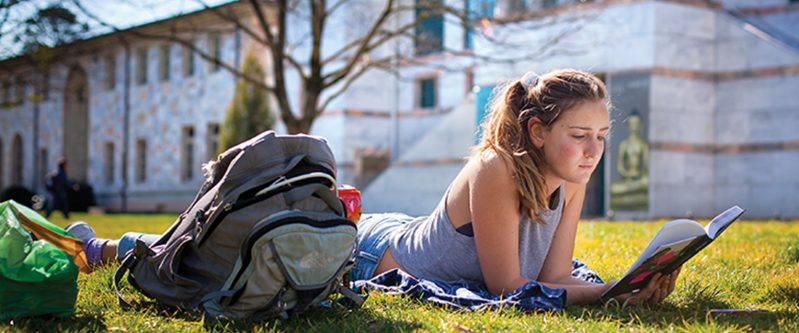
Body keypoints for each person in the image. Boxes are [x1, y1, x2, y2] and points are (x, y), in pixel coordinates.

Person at [68, 69, 680, 306]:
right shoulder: (496, 167)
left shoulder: (569, 179)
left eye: (601, 136)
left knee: (239, 255)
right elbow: (510, 289)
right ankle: (102, 250)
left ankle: (106, 248)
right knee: (230, 255)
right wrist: (603, 297)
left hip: (401, 239)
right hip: (375, 248)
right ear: (537, 130)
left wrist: (631, 284)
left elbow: (548, 280)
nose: (594, 151)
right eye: (581, 135)